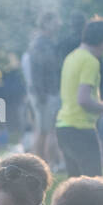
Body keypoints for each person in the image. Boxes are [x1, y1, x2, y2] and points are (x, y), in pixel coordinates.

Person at [54, 16, 103, 177]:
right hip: (81, 128)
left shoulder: (71, 57)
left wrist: (99, 103)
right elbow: (83, 99)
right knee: (95, 185)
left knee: (75, 187)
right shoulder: (91, 61)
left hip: (63, 127)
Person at [25, 12, 63, 166]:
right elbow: (37, 72)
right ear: (46, 23)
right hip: (44, 94)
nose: (59, 24)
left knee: (47, 131)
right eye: (55, 21)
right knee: (44, 132)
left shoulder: (46, 42)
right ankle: (40, 165)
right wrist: (41, 95)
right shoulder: (40, 44)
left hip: (46, 93)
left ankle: (46, 164)